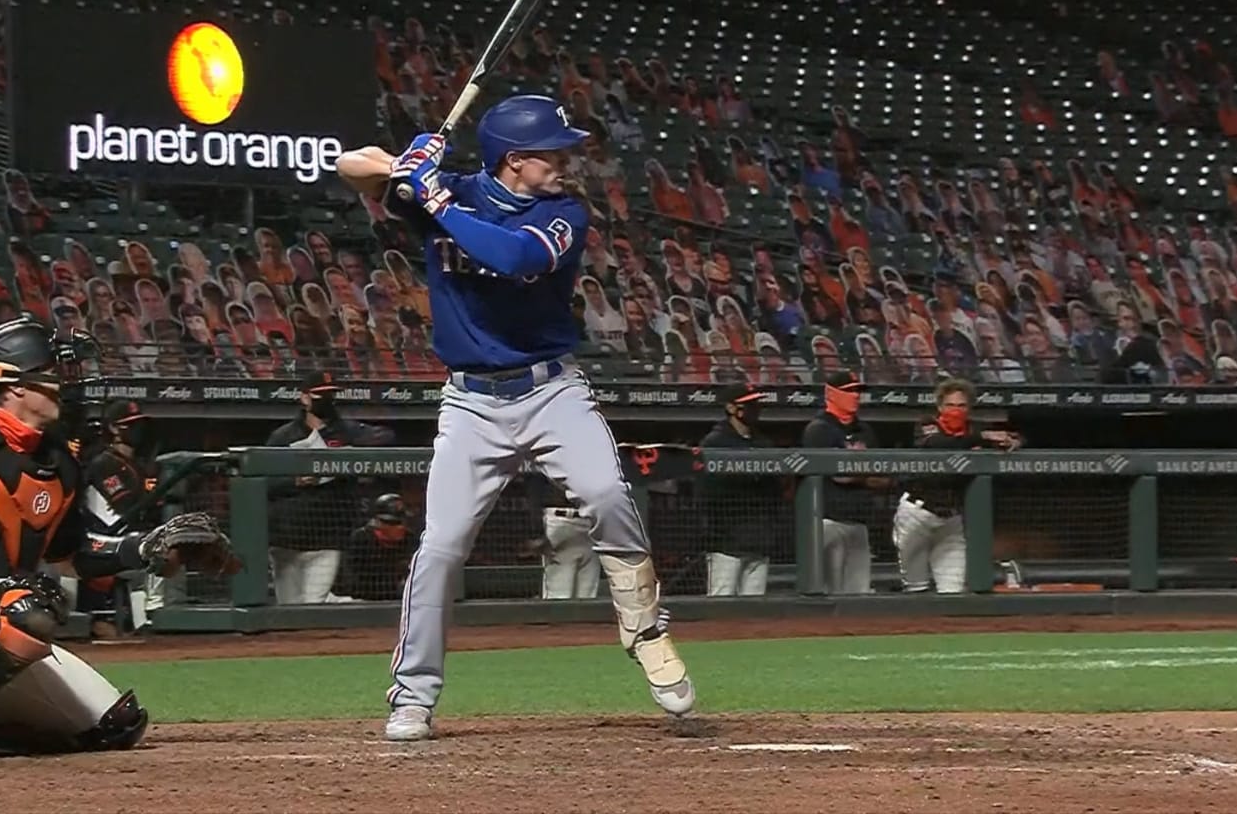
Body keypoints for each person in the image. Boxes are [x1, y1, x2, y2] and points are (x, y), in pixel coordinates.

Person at [336, 94, 694, 742]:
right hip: (471, 402)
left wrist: (433, 199)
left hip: (550, 390)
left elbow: (516, 258)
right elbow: (345, 164)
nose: (565, 161)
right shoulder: (453, 186)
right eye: (552, 153)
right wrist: (406, 164)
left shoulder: (562, 213)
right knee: (441, 547)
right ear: (515, 159)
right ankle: (413, 696)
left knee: (607, 494)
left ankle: (646, 632)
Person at [0, 315, 236, 763]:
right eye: (53, 374)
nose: (67, 384)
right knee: (27, 603)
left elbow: (71, 556)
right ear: (14, 386)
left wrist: (144, 547)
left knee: (116, 726)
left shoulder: (56, 460)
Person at [265, 369, 394, 604]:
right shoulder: (283, 436)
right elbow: (265, 485)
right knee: (290, 607)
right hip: (286, 538)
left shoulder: (345, 430)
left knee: (314, 604)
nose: (326, 401)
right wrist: (296, 480)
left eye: (331, 394)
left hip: (328, 536)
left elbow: (386, 436)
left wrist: (348, 450)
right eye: (319, 395)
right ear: (304, 398)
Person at [893, 378, 1021, 593]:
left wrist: (1014, 441)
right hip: (917, 513)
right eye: (950, 405)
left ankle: (945, 626)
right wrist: (981, 438)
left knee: (953, 590)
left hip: (952, 520)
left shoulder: (974, 428)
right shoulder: (927, 423)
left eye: (961, 405)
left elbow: (1015, 436)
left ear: (969, 407)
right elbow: (936, 444)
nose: (956, 410)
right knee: (916, 586)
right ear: (940, 406)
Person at [80, 400, 162, 640]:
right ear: (114, 429)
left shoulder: (140, 464)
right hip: (99, 537)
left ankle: (147, 621)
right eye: (129, 425)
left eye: (138, 424)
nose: (137, 430)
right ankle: (145, 617)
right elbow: (127, 505)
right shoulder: (103, 462)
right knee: (150, 546)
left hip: (128, 534)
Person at [799, 371, 886, 594]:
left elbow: (883, 476)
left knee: (859, 593)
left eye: (857, 391)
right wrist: (864, 475)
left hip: (859, 521)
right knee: (828, 593)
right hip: (828, 521)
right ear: (830, 393)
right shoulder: (818, 429)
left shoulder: (865, 430)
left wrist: (859, 475)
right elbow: (838, 475)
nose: (856, 396)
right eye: (849, 391)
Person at [695, 383, 780, 596]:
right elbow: (708, 492)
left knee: (755, 608)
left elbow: (774, 490)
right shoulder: (715, 442)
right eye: (748, 405)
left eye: (756, 404)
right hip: (725, 541)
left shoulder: (764, 443)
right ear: (732, 408)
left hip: (759, 538)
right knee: (721, 603)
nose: (755, 409)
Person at [332, 493, 420, 602]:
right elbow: (349, 577)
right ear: (376, 521)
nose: (397, 527)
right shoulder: (361, 538)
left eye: (399, 522)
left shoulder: (410, 539)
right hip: (360, 597)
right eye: (390, 523)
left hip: (397, 598)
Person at [529, 471, 601, 600]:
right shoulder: (551, 454)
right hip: (561, 521)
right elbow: (534, 486)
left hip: (591, 521)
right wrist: (537, 532)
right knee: (559, 597)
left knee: (587, 598)